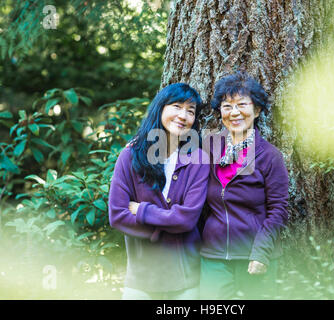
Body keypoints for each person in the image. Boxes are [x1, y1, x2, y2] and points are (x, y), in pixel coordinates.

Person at [108, 83, 209, 300]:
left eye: (190, 111)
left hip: (185, 280)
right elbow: (117, 215)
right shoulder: (130, 156)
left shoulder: (198, 160)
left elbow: (186, 220)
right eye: (176, 106)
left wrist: (142, 211)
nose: (183, 115)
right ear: (160, 108)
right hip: (141, 279)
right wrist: (164, 227)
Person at [200, 72, 289, 299]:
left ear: (257, 110)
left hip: (254, 257)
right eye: (227, 106)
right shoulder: (208, 147)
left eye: (242, 105)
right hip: (214, 256)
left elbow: (278, 210)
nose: (235, 112)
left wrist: (261, 252)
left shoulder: (270, 156)